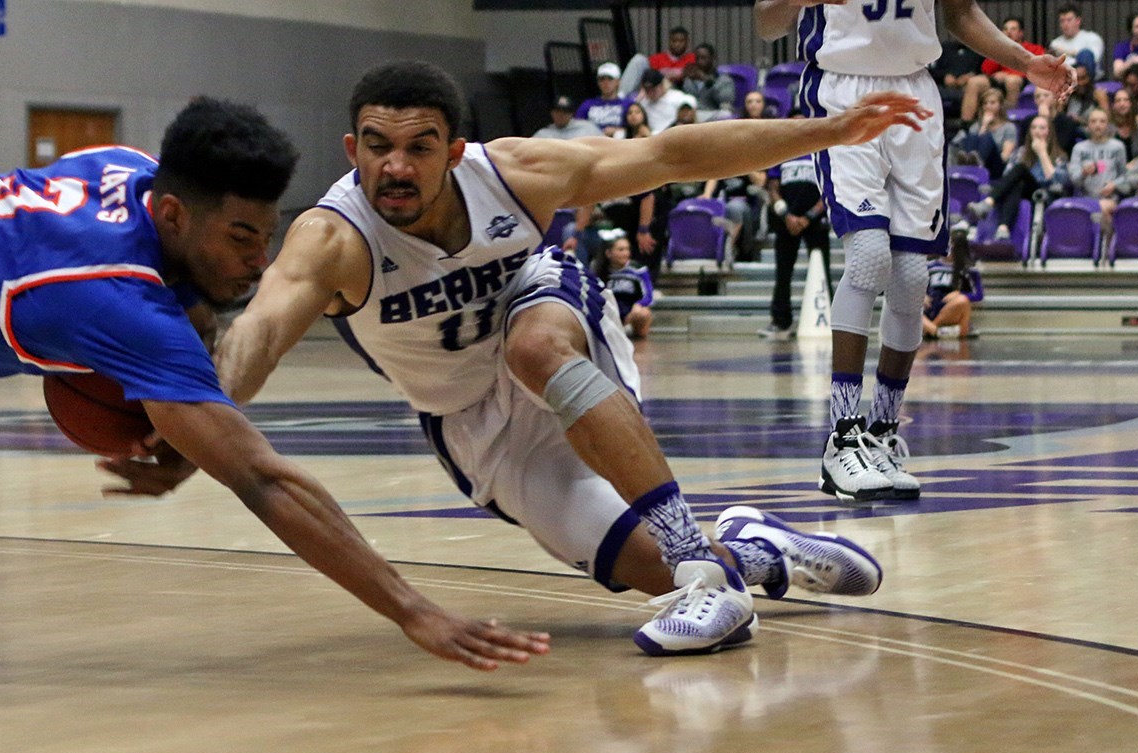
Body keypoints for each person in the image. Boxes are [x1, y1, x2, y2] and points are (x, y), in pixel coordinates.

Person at [0, 97, 551, 672]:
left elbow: (190, 301)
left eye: (266, 232)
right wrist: (414, 613)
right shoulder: (118, 305)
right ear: (171, 214)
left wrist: (181, 401)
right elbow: (267, 479)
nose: (261, 259)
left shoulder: (126, 166)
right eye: (242, 237)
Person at [213, 61, 914, 656]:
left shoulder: (514, 173)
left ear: (455, 152)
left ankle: (704, 572)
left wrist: (823, 133)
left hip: (544, 312)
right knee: (646, 567)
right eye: (376, 146)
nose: (394, 167)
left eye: (418, 148)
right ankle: (755, 550)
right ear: (351, 147)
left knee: (533, 348)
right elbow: (263, 330)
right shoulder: (333, 238)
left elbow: (671, 156)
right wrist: (193, 422)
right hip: (471, 419)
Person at [755, 0, 1072, 503]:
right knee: (869, 257)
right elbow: (765, 20)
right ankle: (841, 438)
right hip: (843, 89)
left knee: (910, 277)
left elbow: (960, 12)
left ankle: (880, 435)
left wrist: (1023, 61)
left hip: (916, 93)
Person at [762, 111, 829, 341]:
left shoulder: (821, 153)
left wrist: (809, 216)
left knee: (822, 270)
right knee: (783, 272)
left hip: (815, 220)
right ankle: (780, 322)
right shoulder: (780, 153)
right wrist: (787, 215)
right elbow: (772, 187)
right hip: (786, 220)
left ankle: (829, 319)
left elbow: (830, 189)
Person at [964, 114, 1070, 241]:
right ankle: (1003, 229)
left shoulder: (1060, 156)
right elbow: (1007, 179)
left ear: (1050, 132)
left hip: (1045, 194)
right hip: (1022, 191)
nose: (1037, 131)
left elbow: (1058, 181)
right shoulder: (1021, 152)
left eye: (1042, 128)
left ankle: (988, 203)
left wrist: (1042, 153)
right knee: (1017, 184)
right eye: (1034, 128)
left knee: (1021, 168)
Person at [963, 16, 1048, 121]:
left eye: (1013, 29)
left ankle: (1007, 121)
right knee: (974, 82)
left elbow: (1037, 69)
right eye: (1005, 29)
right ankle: (965, 125)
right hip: (998, 80)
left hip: (1021, 80)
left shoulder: (1034, 48)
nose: (1008, 32)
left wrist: (1009, 74)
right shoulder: (999, 49)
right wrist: (1000, 48)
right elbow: (986, 69)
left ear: (1021, 33)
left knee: (1011, 81)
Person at [1069, 107, 1129, 232]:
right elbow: (1074, 180)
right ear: (1088, 125)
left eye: (1102, 122)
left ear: (1107, 125)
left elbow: (1125, 176)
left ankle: (1106, 245)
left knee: (1101, 208)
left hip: (1110, 199)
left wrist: (1114, 184)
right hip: (1085, 198)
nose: (1098, 125)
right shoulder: (1079, 148)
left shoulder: (1117, 147)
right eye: (1094, 121)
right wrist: (1083, 173)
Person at [922, 228, 982, 339]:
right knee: (909, 301)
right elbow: (916, 285)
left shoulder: (968, 271)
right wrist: (922, 295)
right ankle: (936, 331)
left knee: (962, 301)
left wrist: (960, 294)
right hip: (929, 308)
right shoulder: (930, 266)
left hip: (950, 310)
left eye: (951, 247)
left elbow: (978, 295)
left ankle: (930, 329)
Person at [596, 234, 654, 339]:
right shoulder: (599, 271)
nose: (625, 253)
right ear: (608, 253)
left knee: (643, 314)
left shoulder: (638, 270)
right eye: (621, 250)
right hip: (609, 313)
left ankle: (636, 337)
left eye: (627, 249)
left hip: (631, 312)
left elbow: (649, 295)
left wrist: (638, 304)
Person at [952, 87, 1017, 177]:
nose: (988, 106)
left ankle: (978, 163)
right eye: (985, 103)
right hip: (973, 161)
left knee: (987, 138)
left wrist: (987, 154)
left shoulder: (1009, 127)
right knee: (972, 136)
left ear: (1000, 105)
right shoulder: (976, 126)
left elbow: (1005, 156)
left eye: (992, 103)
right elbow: (974, 145)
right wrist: (984, 126)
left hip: (996, 165)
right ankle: (970, 165)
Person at [1050, 4, 1106, 80]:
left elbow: (1093, 59)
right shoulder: (1055, 43)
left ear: (1078, 21)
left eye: (1069, 20)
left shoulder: (1092, 38)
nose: (1065, 24)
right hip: (1064, 77)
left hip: (1088, 80)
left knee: (1086, 54)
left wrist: (1065, 52)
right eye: (1062, 21)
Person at [576, 62, 632, 137]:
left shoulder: (628, 104)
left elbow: (637, 128)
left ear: (618, 82)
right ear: (598, 82)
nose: (606, 82)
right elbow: (577, 127)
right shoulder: (587, 104)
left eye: (610, 79)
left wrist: (617, 130)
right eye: (602, 79)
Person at [680, 44, 736, 118]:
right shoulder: (690, 80)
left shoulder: (723, 79)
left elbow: (725, 101)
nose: (699, 61)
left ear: (713, 58)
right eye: (697, 58)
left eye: (703, 58)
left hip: (713, 114)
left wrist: (706, 80)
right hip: (693, 116)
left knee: (726, 114)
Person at [533, 96, 602, 140]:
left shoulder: (588, 128)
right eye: (557, 111)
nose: (561, 115)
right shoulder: (542, 135)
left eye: (565, 111)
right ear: (552, 113)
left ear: (571, 114)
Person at [1109, 88, 1138, 157]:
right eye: (1118, 101)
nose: (1122, 104)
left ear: (1131, 104)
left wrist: (1135, 162)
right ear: (1113, 105)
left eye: (1125, 100)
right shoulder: (1108, 128)